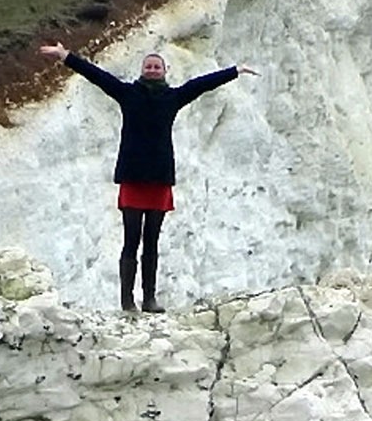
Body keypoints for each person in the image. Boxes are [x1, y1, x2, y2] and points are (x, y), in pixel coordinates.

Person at [39, 41, 258, 312]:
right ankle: (127, 300)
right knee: (131, 241)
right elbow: (97, 76)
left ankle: (150, 299)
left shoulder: (173, 97)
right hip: (133, 177)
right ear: (142, 70)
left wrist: (236, 70)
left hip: (159, 178)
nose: (153, 69)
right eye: (149, 66)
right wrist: (65, 56)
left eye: (157, 66)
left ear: (165, 71)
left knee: (152, 242)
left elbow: (202, 84)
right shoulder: (128, 93)